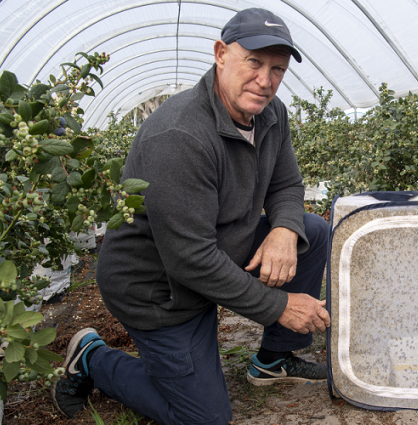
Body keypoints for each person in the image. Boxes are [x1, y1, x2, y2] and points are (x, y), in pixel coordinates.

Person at [49, 8, 330, 424]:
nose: (266, 80)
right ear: (220, 54)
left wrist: (285, 229)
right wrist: (278, 305)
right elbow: (190, 259)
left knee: (311, 231)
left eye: (277, 69)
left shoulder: (272, 113)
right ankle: (94, 358)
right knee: (203, 419)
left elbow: (286, 184)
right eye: (254, 62)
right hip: (159, 288)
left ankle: (274, 359)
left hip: (217, 247)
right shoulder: (179, 135)